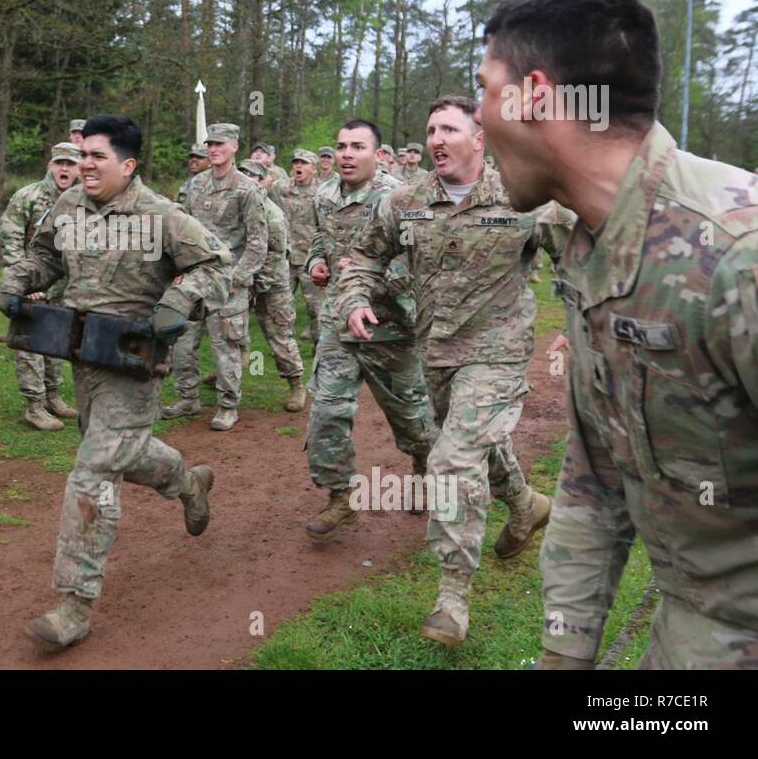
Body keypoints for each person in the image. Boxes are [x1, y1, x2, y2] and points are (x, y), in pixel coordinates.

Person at [477, 0, 758, 669]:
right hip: (689, 629)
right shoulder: (588, 242)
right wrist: (565, 651)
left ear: (533, 95)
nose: (478, 118)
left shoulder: (733, 256)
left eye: (484, 90)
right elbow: (597, 471)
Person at [338, 96, 572, 647]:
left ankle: (452, 597)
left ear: (479, 138)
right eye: (431, 130)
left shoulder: (524, 198)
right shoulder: (406, 201)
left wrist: (580, 319)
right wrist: (355, 295)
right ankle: (524, 505)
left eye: (449, 129)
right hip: (436, 353)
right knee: (477, 444)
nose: (437, 140)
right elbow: (365, 256)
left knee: (452, 458)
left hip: (498, 353)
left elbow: (577, 258)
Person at [0, 114, 228, 651]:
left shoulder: (162, 215)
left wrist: (177, 301)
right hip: (80, 354)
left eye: (97, 157)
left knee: (95, 471)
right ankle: (187, 482)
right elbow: (44, 257)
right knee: (120, 452)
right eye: (82, 156)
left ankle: (74, 605)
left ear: (128, 164)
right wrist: (15, 284)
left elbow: (216, 266)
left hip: (133, 363)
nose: (85, 165)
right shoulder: (69, 206)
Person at [302, 119, 438, 541]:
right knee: (326, 412)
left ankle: (424, 467)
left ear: (377, 154)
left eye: (357, 147)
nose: (345, 154)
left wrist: (372, 275)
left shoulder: (401, 198)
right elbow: (317, 241)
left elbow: (423, 261)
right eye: (341, 146)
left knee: (412, 419)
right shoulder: (322, 194)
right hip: (338, 323)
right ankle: (341, 496)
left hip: (392, 326)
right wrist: (316, 265)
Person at [162, 122, 268, 431]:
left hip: (228, 280)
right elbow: (181, 228)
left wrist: (237, 277)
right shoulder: (195, 185)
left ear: (235, 146)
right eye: (210, 144)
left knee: (226, 346)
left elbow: (258, 242)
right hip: (194, 278)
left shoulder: (247, 189)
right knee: (182, 341)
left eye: (220, 144)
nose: (213, 149)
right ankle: (188, 398)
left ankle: (227, 405)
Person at [0, 142, 81, 431]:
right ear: (50, 165)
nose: (65, 169)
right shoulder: (28, 197)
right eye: (60, 163)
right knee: (31, 343)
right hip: (31, 287)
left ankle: (53, 395)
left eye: (71, 164)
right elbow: (9, 239)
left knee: (56, 343)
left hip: (61, 288)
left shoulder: (82, 199)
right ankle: (34, 405)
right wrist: (24, 283)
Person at [237, 160, 306, 411]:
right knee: (230, 330)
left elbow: (274, 257)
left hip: (272, 284)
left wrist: (254, 285)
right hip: (244, 281)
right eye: (242, 175)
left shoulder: (272, 213)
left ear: (263, 182)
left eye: (252, 176)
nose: (246, 180)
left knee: (279, 336)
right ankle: (231, 372)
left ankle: (296, 384)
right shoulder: (238, 209)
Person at [277, 149, 325, 344]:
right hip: (285, 258)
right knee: (281, 307)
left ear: (313, 168)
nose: (298, 166)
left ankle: (320, 347)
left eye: (303, 163)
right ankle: (285, 349)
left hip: (310, 260)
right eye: (296, 162)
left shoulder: (323, 192)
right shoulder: (281, 188)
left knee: (316, 309)